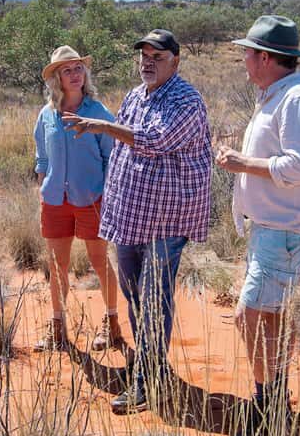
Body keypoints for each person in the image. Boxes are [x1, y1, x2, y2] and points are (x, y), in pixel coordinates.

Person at [64, 30, 211, 414]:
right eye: (144, 56)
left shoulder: (186, 100)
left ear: (176, 61)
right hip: (132, 215)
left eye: (157, 57)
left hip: (167, 220)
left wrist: (102, 127)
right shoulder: (134, 96)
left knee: (154, 296)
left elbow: (154, 141)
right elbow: (123, 151)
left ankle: (148, 381)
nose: (148, 62)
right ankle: (151, 363)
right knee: (134, 294)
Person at [215, 15, 300, 436]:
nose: (244, 61)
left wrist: (241, 163)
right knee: (271, 317)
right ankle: (275, 404)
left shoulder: (298, 99)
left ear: (265, 58)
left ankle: (266, 407)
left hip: (286, 229)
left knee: (249, 314)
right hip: (273, 227)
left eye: (247, 54)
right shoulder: (278, 95)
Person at [33, 45, 122, 353]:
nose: (74, 75)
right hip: (55, 201)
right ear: (56, 78)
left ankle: (112, 323)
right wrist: (44, 188)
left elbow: (112, 158)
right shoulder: (46, 115)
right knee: (57, 265)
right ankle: (57, 328)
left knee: (99, 261)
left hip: (92, 198)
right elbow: (42, 157)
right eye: (67, 70)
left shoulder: (98, 113)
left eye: (78, 68)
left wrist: (108, 196)